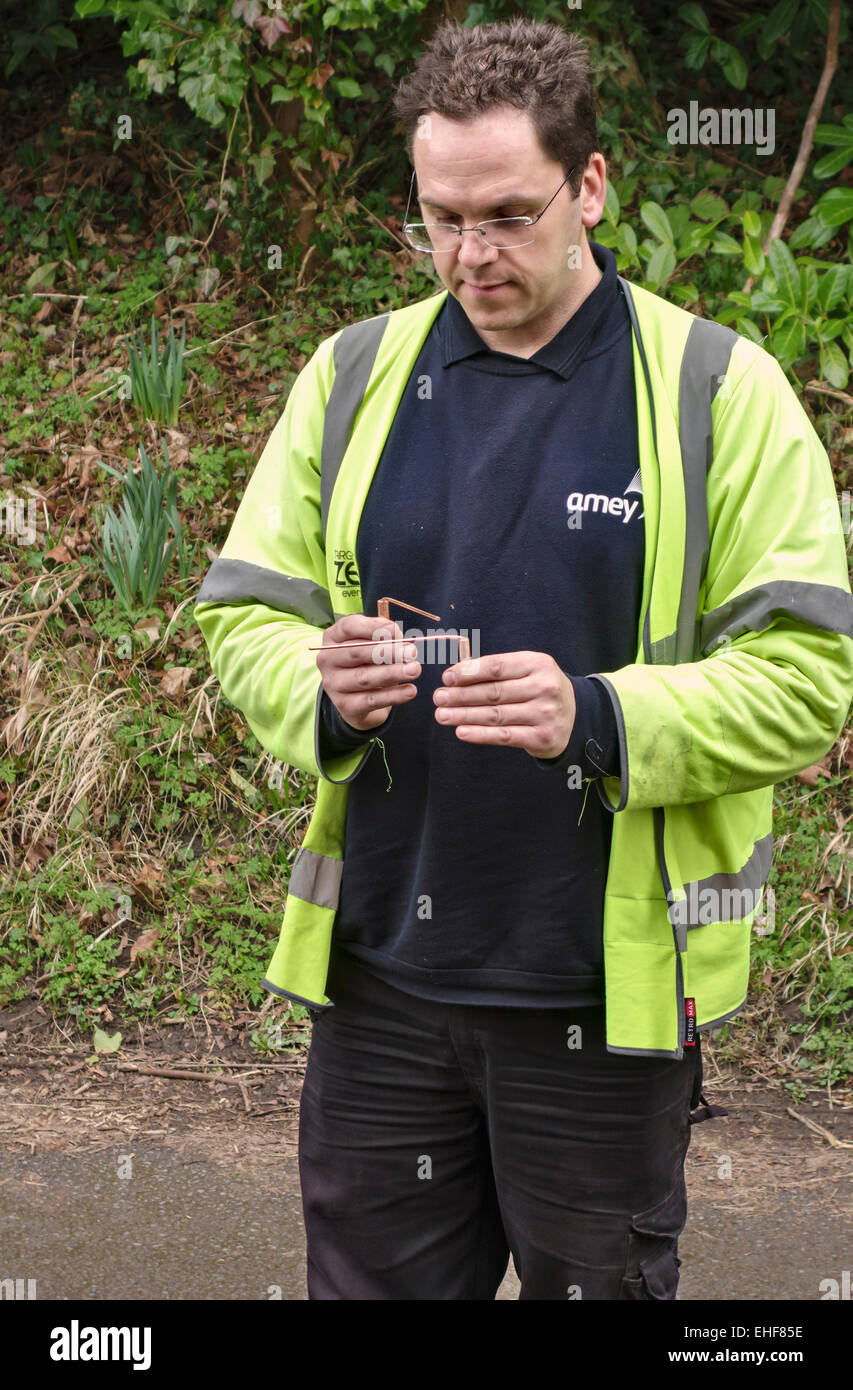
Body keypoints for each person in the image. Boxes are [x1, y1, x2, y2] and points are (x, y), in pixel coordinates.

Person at [193, 18, 853, 1299]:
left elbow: (809, 678)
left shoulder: (721, 391)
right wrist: (318, 692)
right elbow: (242, 616)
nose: (469, 255)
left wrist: (600, 715)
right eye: (439, 218)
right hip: (378, 985)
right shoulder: (351, 377)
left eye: (506, 214)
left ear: (590, 186)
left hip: (600, 995)